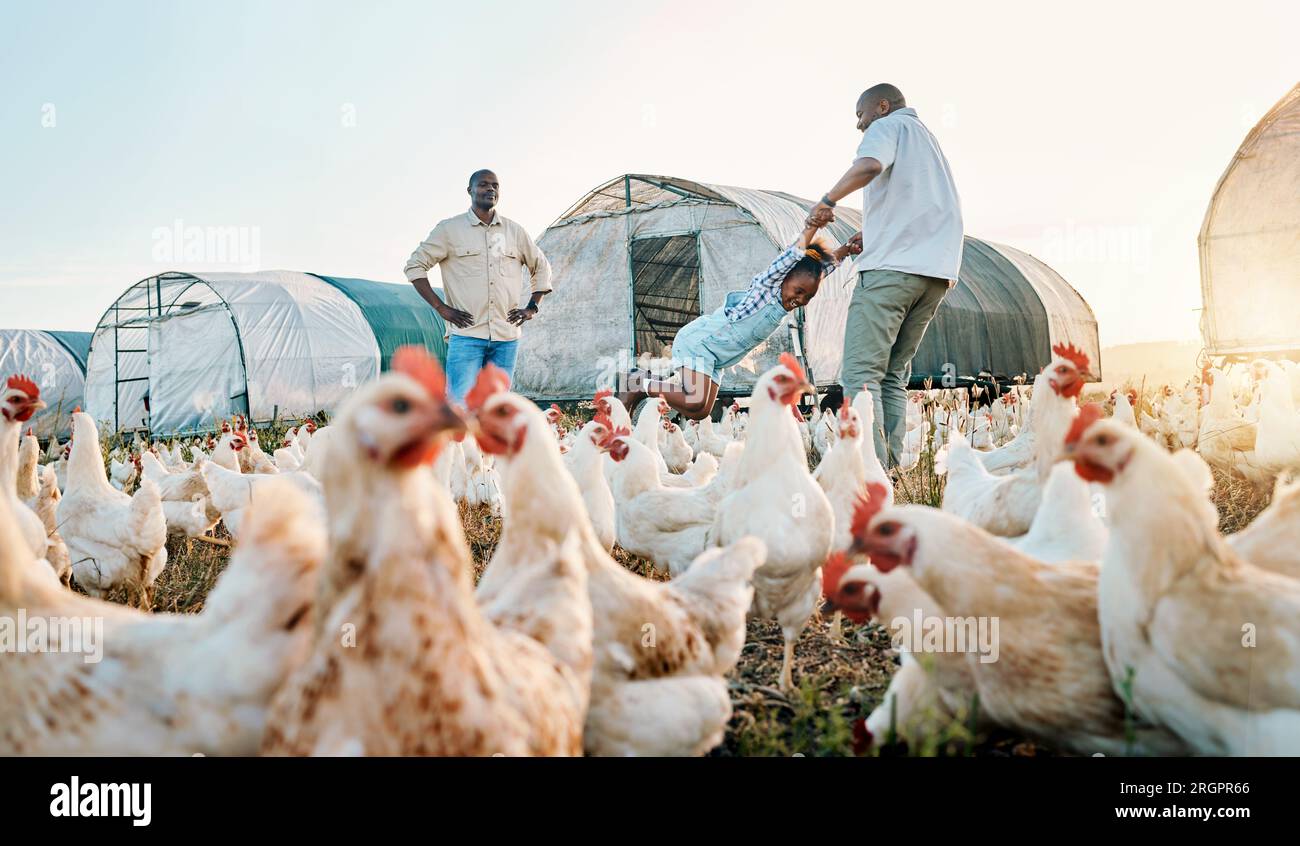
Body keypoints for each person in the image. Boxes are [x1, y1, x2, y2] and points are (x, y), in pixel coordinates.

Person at [807, 83, 964, 468]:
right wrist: (875, 233)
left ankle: (867, 477)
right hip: (936, 274)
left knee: (861, 375)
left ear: (881, 106)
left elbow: (870, 165)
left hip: (892, 272)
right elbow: (915, 204)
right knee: (892, 375)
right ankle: (891, 471)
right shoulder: (927, 141)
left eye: (860, 115)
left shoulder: (887, 127)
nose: (859, 126)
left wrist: (828, 201)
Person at [617, 220, 858, 419]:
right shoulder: (769, 285)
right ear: (784, 278)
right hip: (700, 342)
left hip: (715, 356)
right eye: (798, 291)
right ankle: (638, 383)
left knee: (699, 411)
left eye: (807, 296)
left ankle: (645, 384)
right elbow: (792, 255)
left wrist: (847, 248)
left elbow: (822, 270)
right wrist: (813, 223)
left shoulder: (792, 296)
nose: (800, 299)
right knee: (694, 398)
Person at [404, 169, 552, 405]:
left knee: (496, 408)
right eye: (483, 184)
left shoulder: (514, 232)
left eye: (495, 185)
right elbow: (415, 267)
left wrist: (532, 308)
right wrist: (441, 307)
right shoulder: (449, 230)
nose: (490, 189)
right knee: (460, 405)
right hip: (467, 336)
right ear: (470, 190)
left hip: (506, 337)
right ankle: (460, 444)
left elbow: (541, 267)